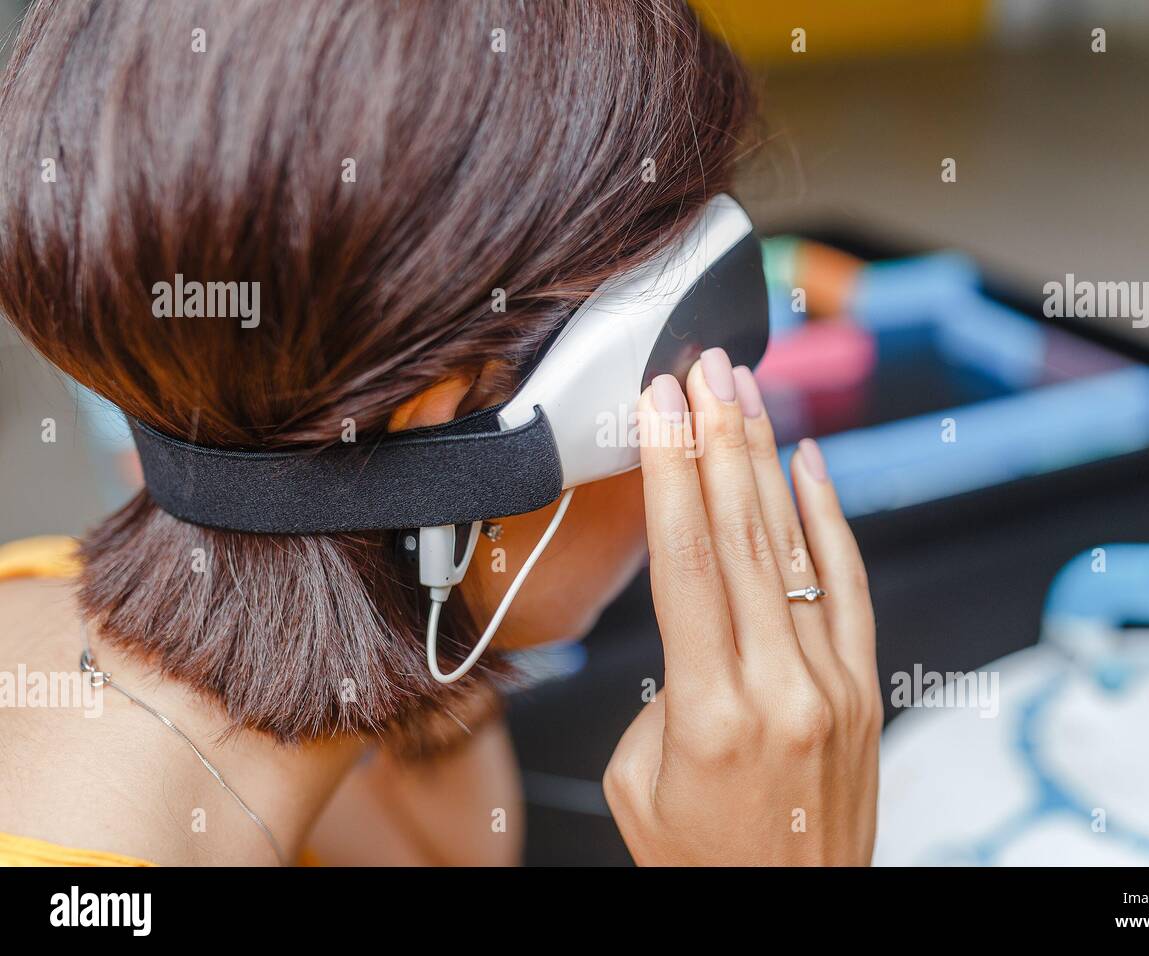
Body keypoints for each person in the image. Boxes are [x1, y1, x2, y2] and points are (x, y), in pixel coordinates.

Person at [0, 0, 880, 866]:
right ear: (452, 417)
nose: (718, 395)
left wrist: (436, 574)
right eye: (694, 336)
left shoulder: (39, 600)